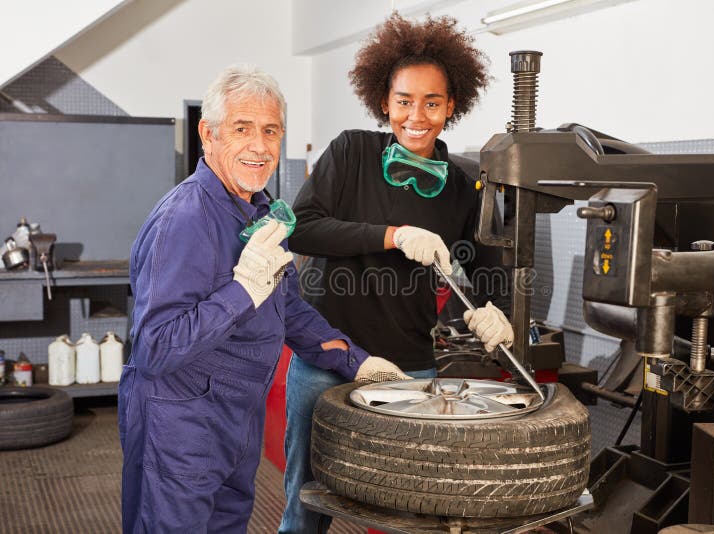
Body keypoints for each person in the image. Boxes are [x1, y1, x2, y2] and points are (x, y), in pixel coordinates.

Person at [117, 64, 409, 533]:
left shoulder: (258, 209)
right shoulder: (186, 219)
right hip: (181, 422)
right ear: (207, 135)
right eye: (242, 129)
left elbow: (287, 307)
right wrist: (242, 290)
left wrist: (358, 361)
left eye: (271, 131)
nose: (259, 146)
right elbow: (156, 347)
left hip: (236, 417)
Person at [280, 14, 514, 533]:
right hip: (328, 356)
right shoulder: (351, 152)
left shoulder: (461, 185)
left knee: (406, 509)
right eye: (404, 101)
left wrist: (496, 312)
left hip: (409, 368)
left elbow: (479, 268)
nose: (417, 116)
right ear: (384, 101)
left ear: (451, 106)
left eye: (432, 102)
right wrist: (394, 235)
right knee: (306, 504)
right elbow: (302, 230)